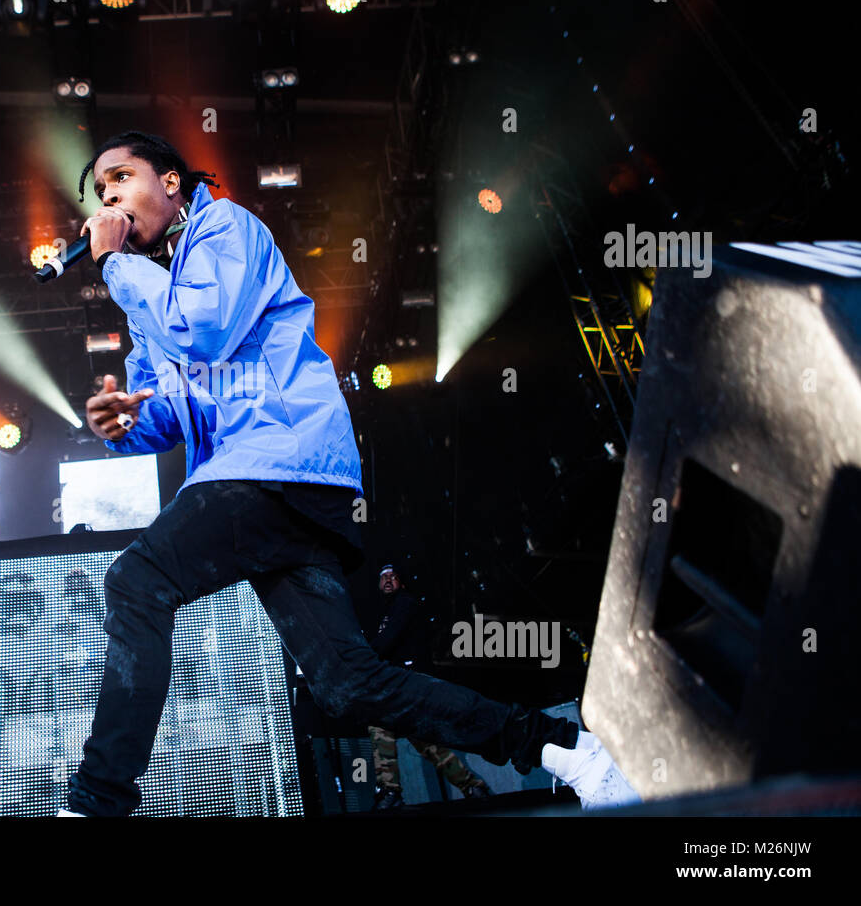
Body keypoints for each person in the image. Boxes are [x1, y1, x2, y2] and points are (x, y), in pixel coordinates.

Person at [58, 131, 639, 816]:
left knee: (137, 580)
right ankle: (568, 751)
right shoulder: (150, 298)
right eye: (102, 192)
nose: (111, 197)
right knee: (347, 683)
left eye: (121, 178)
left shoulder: (223, 229)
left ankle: (98, 800)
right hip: (262, 484)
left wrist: (116, 268)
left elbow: (205, 329)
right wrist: (124, 425)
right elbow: (168, 418)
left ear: (173, 182)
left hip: (281, 464)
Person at [364, 563, 492, 807]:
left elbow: (388, 641)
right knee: (423, 741)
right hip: (400, 684)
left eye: (393, 576)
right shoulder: (386, 612)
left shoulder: (404, 604)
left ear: (401, 583)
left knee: (383, 728)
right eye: (384, 578)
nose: (388, 580)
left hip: (406, 682)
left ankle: (391, 791)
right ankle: (472, 787)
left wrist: (365, 658)